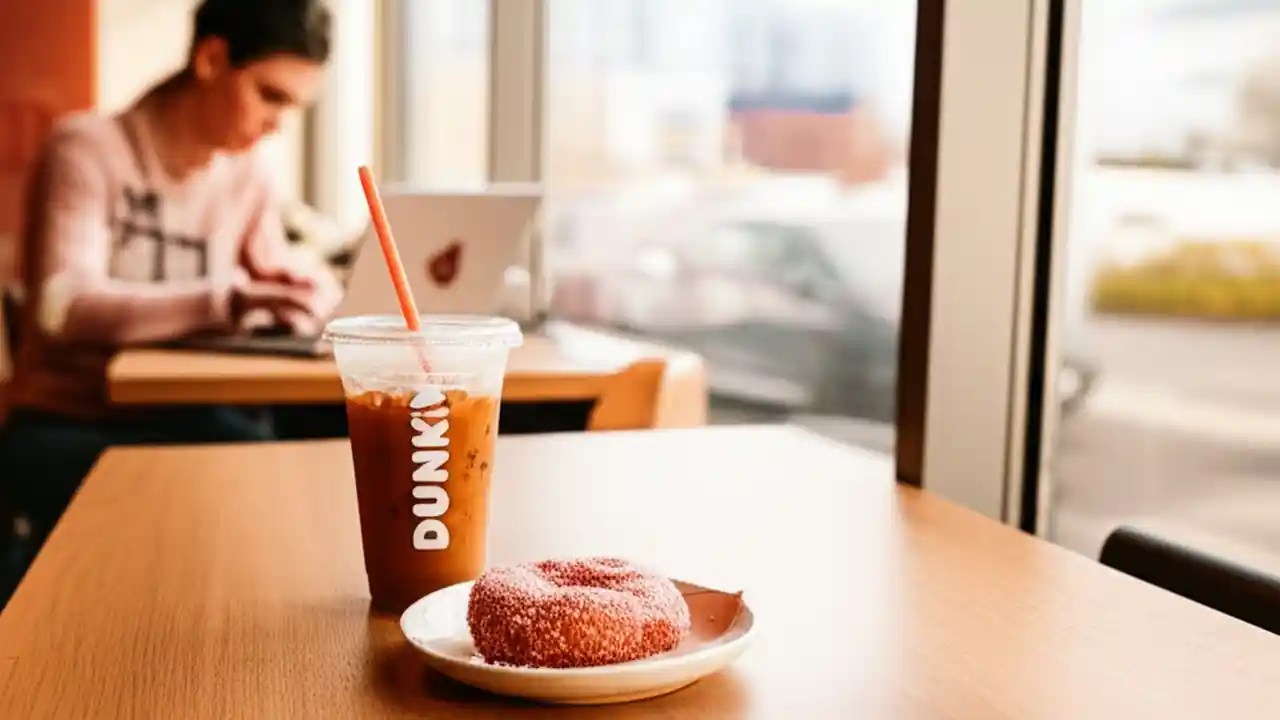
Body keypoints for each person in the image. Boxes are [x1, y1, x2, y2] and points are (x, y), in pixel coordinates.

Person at [0, 0, 340, 601]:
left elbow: (276, 276)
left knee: (290, 460)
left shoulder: (246, 174)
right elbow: (62, 305)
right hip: (69, 421)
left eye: (293, 107)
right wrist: (226, 300)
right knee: (259, 472)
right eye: (270, 96)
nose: (276, 124)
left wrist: (310, 292)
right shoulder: (88, 147)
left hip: (187, 413)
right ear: (211, 58)